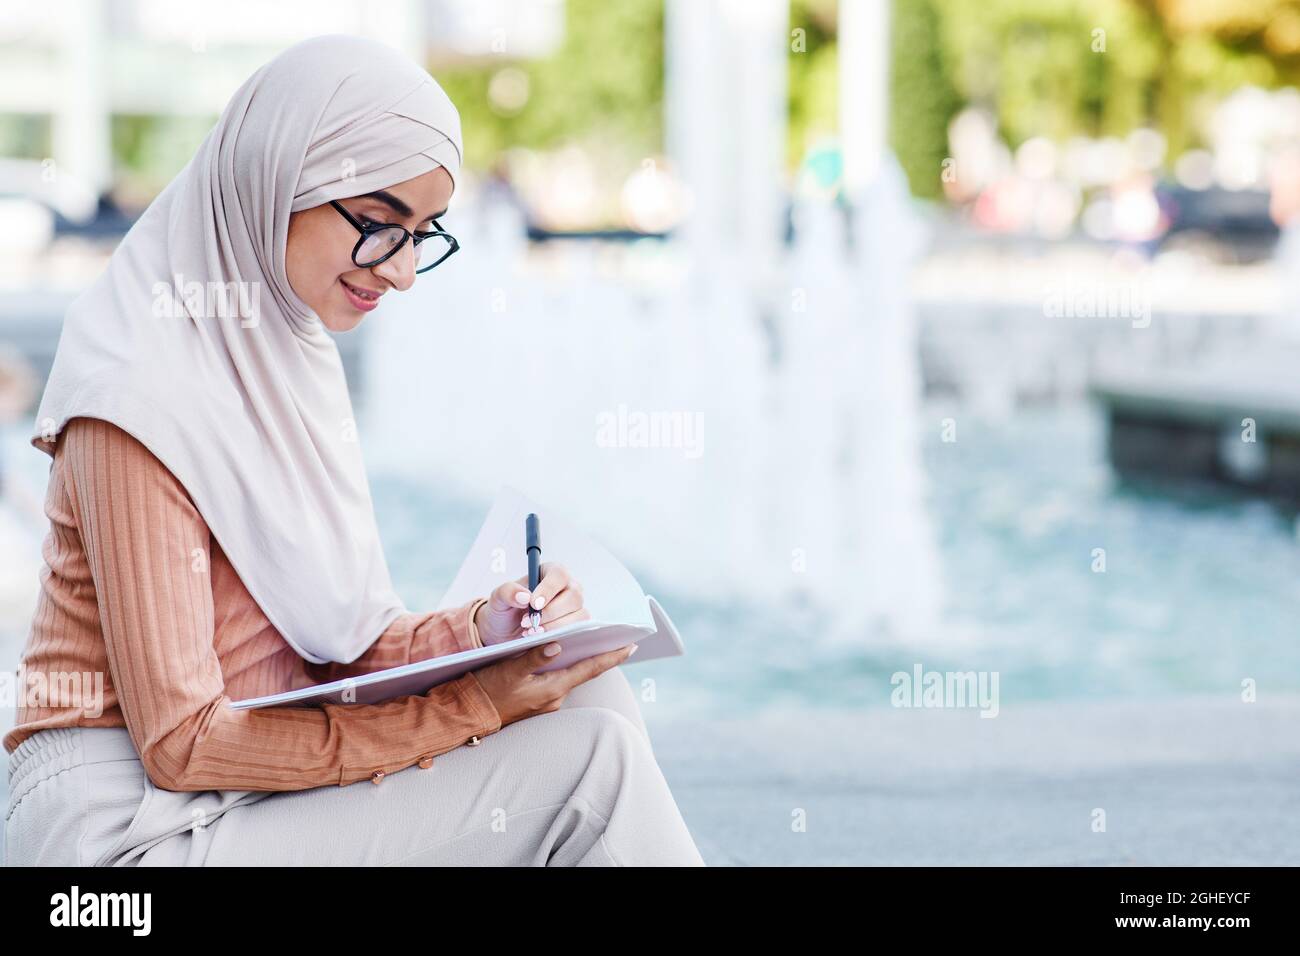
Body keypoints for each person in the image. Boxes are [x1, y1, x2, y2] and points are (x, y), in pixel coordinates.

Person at [3, 34, 704, 867]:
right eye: (380, 226)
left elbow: (337, 652)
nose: (402, 271)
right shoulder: (136, 395)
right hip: (122, 834)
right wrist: (476, 704)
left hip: (240, 788)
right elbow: (181, 743)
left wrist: (488, 631)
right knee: (591, 765)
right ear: (277, 184)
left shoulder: (280, 356)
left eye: (423, 235)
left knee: (589, 695)